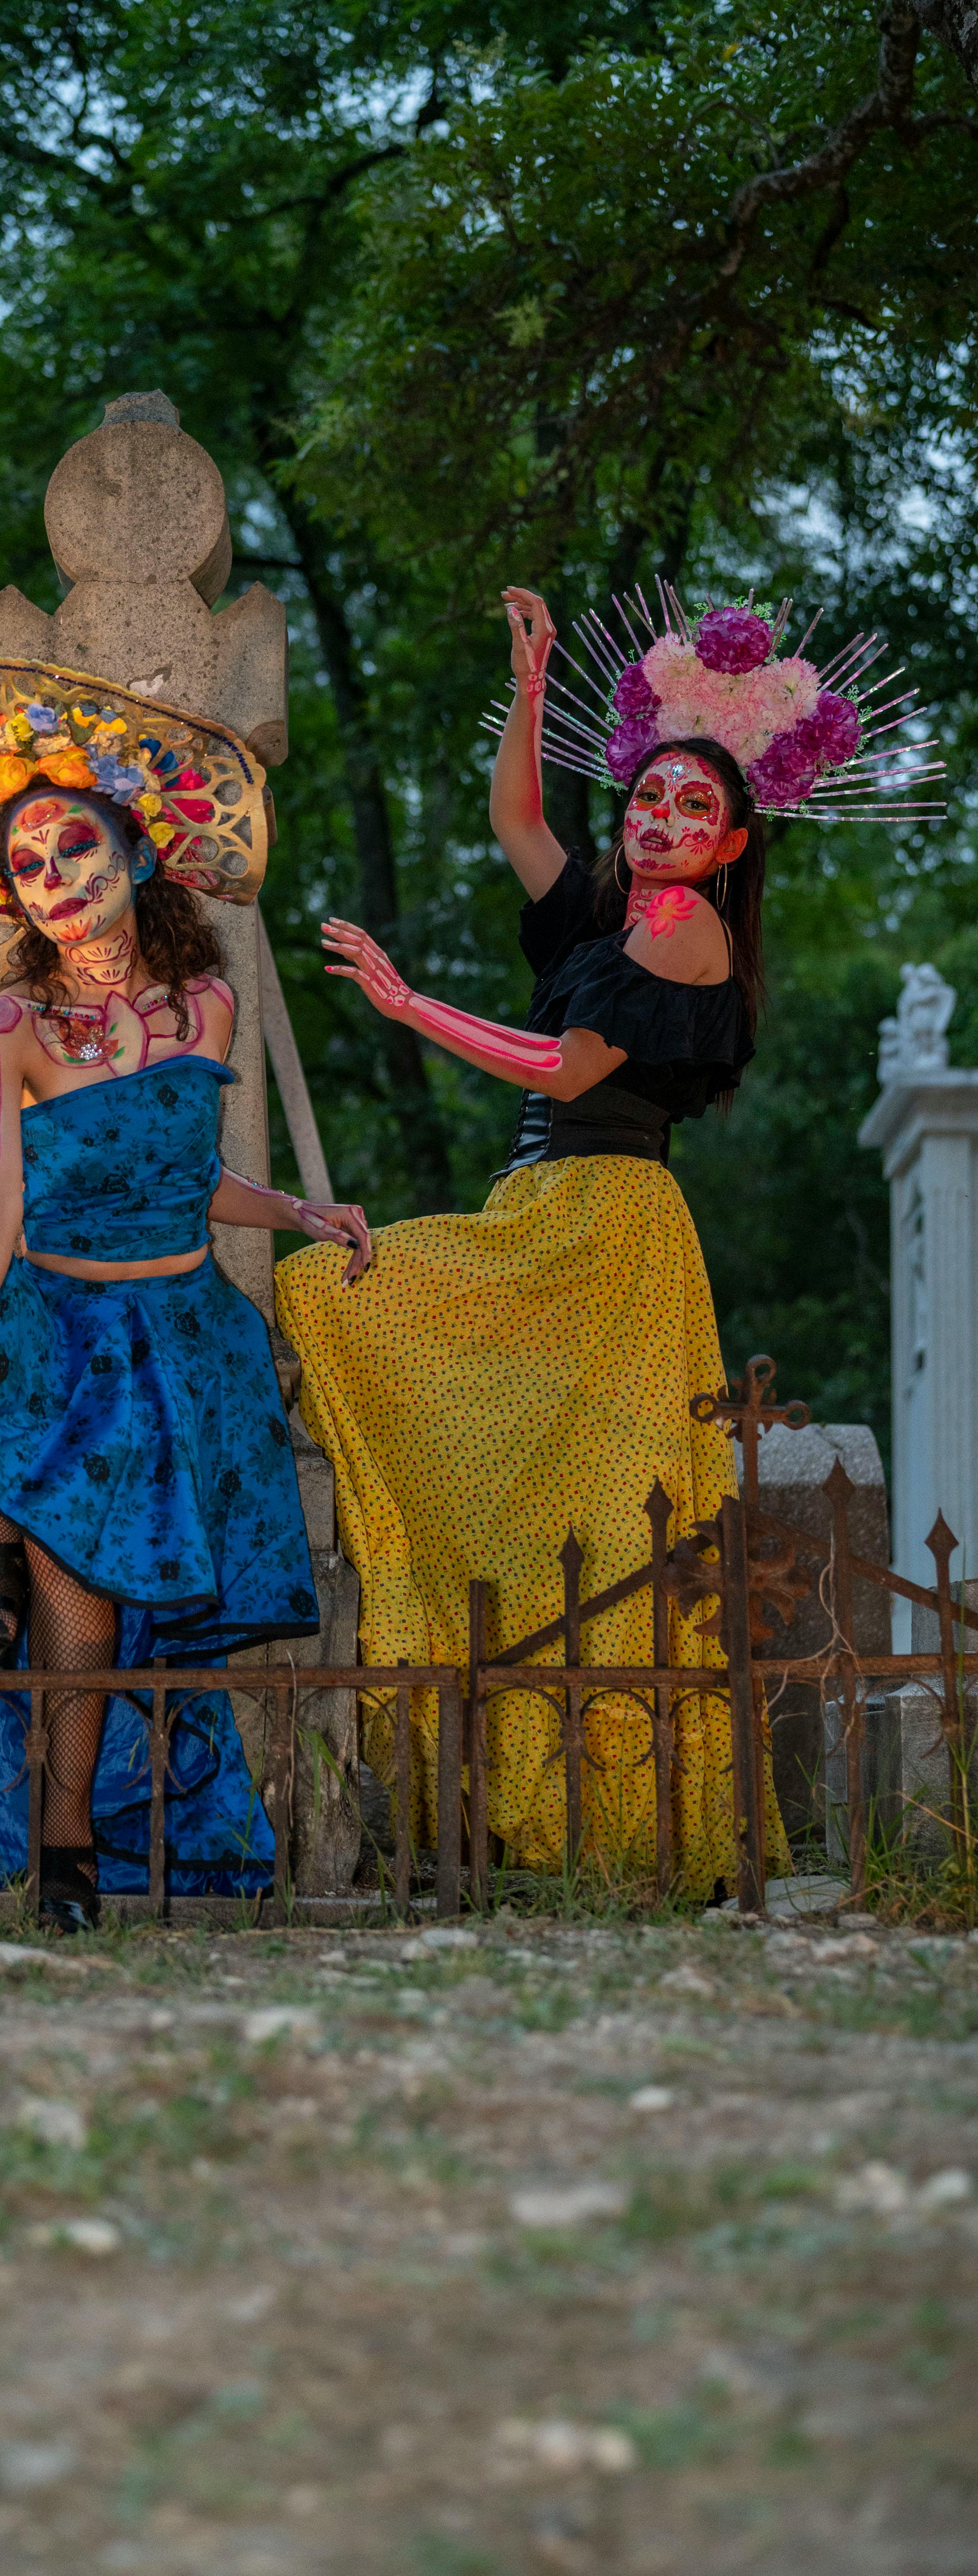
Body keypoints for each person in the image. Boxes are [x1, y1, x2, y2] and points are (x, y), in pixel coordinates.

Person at [276, 580, 916, 1896]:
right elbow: (518, 816)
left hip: (607, 1227)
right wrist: (530, 683)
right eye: (650, 800)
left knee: (589, 1512)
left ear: (733, 845)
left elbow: (566, 1072)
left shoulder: (686, 937)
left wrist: (410, 1004)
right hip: (544, 1213)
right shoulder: (615, 916)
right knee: (532, 1493)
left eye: (696, 811)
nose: (663, 822)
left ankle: (618, 1830)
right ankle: (519, 1799)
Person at [0, 664, 371, 1927]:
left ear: (135, 855)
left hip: (172, 1337)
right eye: (26, 863)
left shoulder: (208, 1007)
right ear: (13, 897)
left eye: (73, 843)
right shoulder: (4, 1028)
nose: (54, 875)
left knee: (91, 1624)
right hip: (54, 1324)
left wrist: (303, 1211)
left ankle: (68, 1829)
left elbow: (189, 1176)